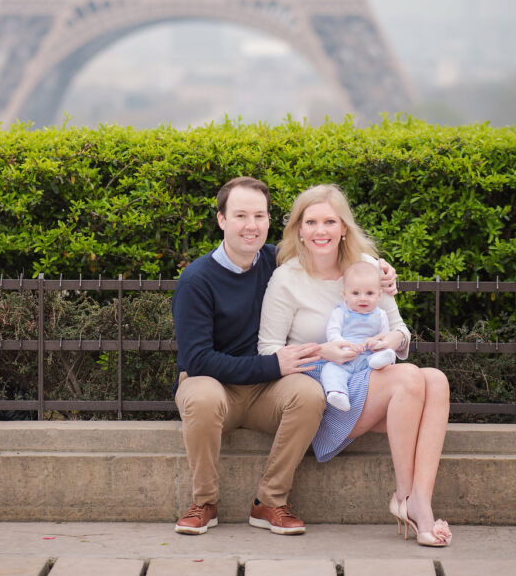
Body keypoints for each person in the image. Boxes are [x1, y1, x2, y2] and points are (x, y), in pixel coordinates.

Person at [172, 176, 398, 536]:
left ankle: (269, 502)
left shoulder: (274, 260)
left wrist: (380, 269)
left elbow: (328, 252)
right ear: (222, 220)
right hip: (214, 385)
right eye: (241, 215)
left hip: (265, 389)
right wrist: (272, 364)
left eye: (259, 216)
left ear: (268, 221)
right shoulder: (196, 280)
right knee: (201, 395)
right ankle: (204, 502)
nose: (251, 225)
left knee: (309, 393)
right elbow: (198, 360)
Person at [258, 184, 452, 547]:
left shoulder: (368, 268)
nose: (320, 231)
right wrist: (324, 351)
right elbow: (268, 349)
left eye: (330, 221)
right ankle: (405, 497)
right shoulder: (287, 277)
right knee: (409, 378)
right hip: (326, 388)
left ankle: (419, 502)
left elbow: (399, 330)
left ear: (344, 227)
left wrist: (394, 339)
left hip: (372, 376)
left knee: (437, 380)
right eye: (311, 222)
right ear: (298, 228)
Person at [321, 260, 396, 412]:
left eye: (369, 293)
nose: (363, 298)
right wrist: (345, 346)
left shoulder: (380, 314)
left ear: (379, 295)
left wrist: (376, 343)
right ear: (345, 294)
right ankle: (338, 393)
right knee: (330, 370)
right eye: (356, 293)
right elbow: (332, 333)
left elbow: (384, 336)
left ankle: (381, 360)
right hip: (345, 357)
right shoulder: (341, 312)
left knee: (385, 355)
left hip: (370, 356)